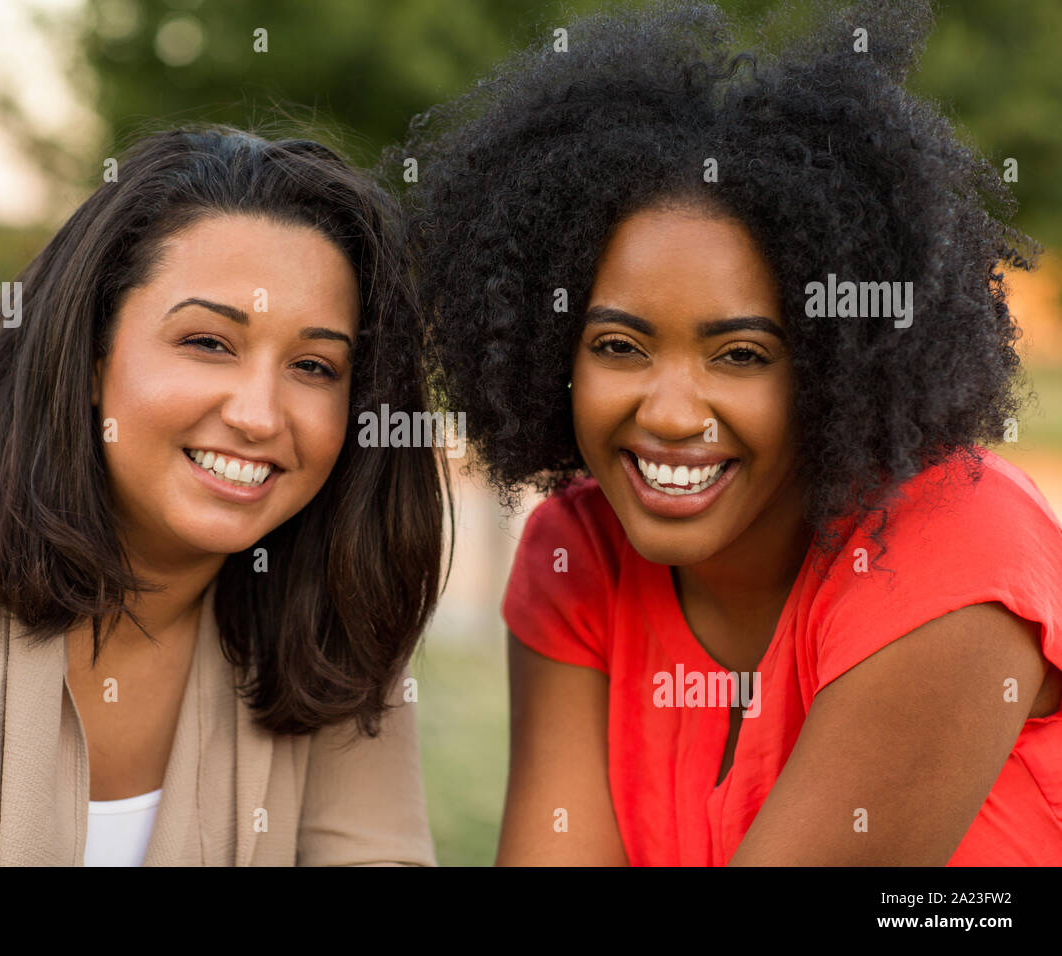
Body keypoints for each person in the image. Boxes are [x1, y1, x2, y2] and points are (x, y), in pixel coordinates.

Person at [395, 0, 1062, 864]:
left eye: (742, 354)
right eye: (619, 346)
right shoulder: (578, 554)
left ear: (834, 366)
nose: (670, 414)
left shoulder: (952, 549)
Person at [0, 126, 447, 866]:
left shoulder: (335, 618)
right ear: (90, 357)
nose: (258, 414)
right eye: (208, 343)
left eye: (314, 366)